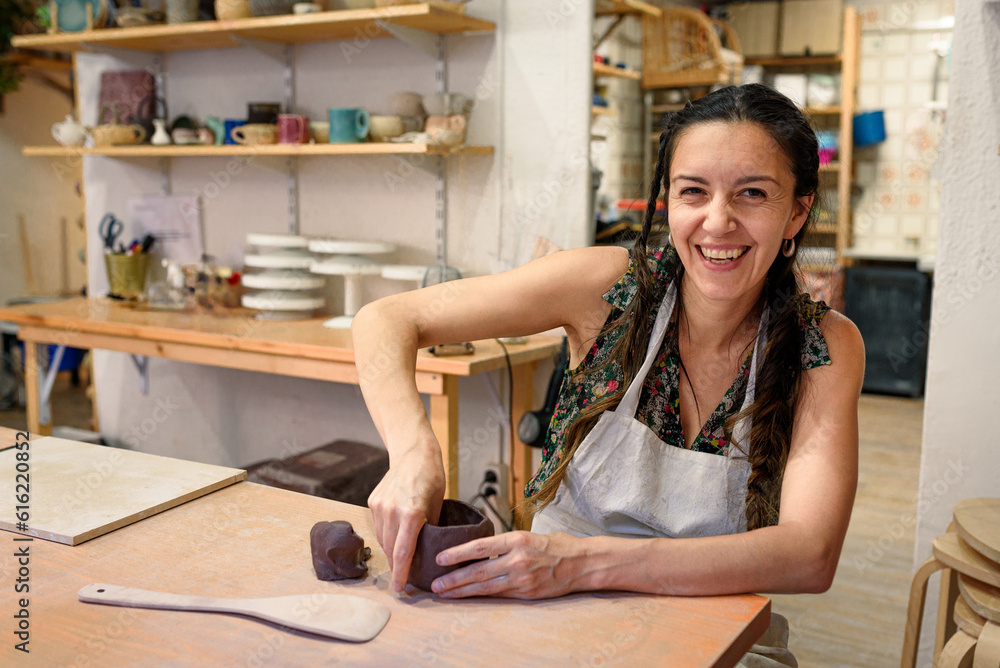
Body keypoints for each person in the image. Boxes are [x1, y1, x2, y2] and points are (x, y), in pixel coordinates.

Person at [351, 83, 864, 663]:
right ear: (668, 200)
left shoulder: (821, 347)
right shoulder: (607, 288)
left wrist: (582, 564)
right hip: (544, 612)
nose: (717, 222)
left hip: (708, 630)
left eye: (752, 194)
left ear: (797, 209)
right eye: (693, 191)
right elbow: (386, 320)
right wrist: (414, 454)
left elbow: (809, 553)